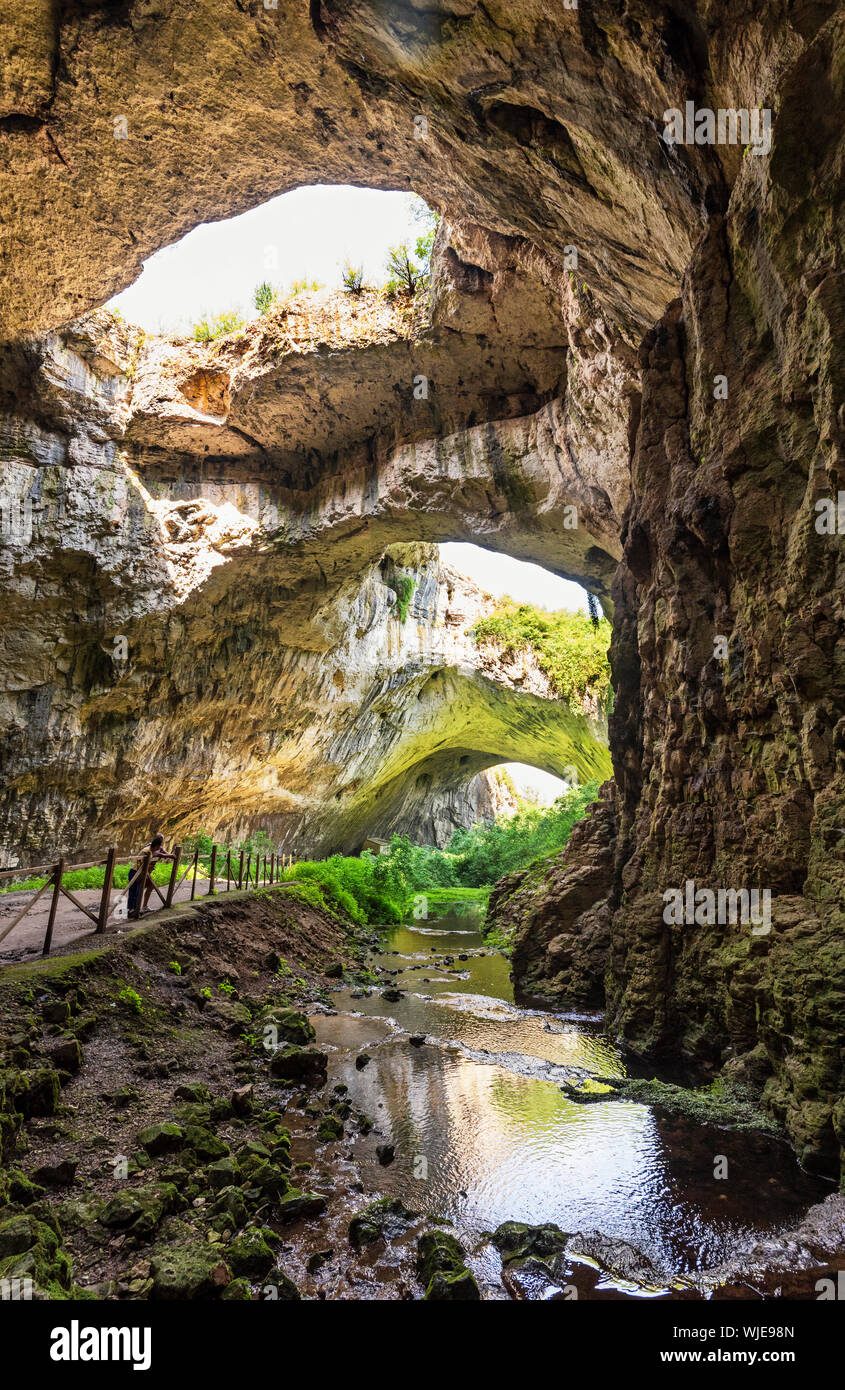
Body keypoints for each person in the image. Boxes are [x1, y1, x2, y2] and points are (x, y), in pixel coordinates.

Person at [127, 833, 176, 917]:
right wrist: (166, 855)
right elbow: (158, 855)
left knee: (146, 887)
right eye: (160, 840)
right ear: (156, 841)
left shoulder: (156, 848)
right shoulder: (147, 850)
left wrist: (170, 855)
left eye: (162, 840)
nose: (161, 842)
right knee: (134, 891)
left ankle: (140, 908)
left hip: (144, 872)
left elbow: (163, 853)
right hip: (136, 872)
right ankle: (132, 910)